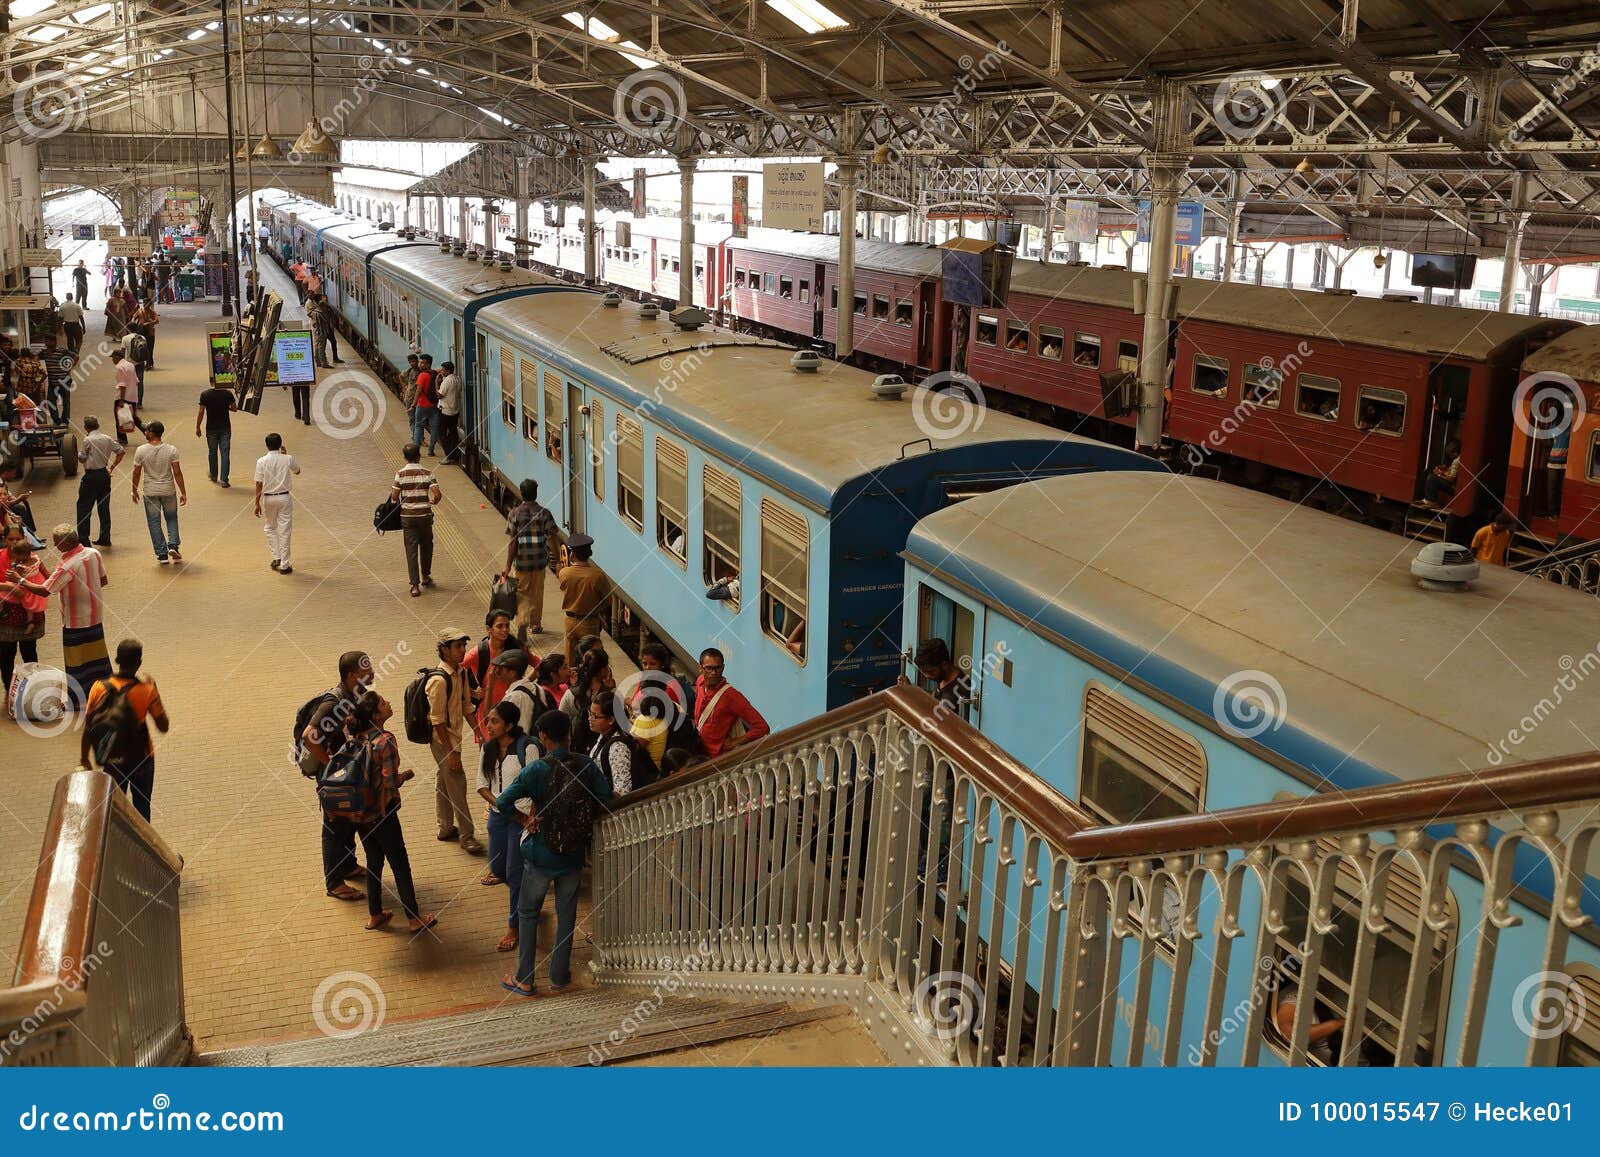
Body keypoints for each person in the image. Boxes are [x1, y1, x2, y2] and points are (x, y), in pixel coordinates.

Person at [496, 709, 612, 996]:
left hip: (540, 853)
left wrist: (526, 821)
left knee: (528, 913)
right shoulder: (585, 764)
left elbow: (503, 801)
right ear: (569, 735)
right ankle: (559, 977)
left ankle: (525, 978)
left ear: (544, 737)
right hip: (572, 853)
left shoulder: (537, 769)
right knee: (567, 915)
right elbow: (606, 798)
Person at [346, 690, 437, 933]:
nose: (389, 704)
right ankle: (414, 919)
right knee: (400, 864)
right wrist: (405, 775)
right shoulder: (384, 741)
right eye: (384, 703)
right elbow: (390, 782)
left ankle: (375, 914)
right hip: (383, 813)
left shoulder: (355, 737)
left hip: (360, 814)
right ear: (376, 714)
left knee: (374, 861)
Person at [300, 650, 375, 901]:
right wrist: (330, 765)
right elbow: (308, 736)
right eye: (367, 669)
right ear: (353, 675)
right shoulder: (333, 703)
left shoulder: (355, 695)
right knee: (333, 826)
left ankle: (348, 865)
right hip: (334, 778)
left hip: (347, 773)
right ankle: (334, 882)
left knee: (348, 821)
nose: (372, 672)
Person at [7, 527, 110, 709]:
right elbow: (103, 580)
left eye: (57, 542)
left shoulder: (67, 566)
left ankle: (77, 701)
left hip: (75, 621)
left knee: (76, 663)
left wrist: (20, 580)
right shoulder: (93, 553)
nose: (54, 545)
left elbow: (45, 590)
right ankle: (104, 692)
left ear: (67, 544)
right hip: (95, 616)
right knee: (97, 659)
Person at [79, 638, 169, 821]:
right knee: (142, 808)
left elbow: (89, 726)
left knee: (115, 809)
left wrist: (84, 758)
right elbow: (163, 726)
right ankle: (143, 846)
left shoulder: (98, 688)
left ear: (117, 660)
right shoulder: (146, 690)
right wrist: (155, 691)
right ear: (139, 663)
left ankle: (115, 842)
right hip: (141, 759)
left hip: (112, 758)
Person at [476, 699, 535, 951]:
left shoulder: (527, 748)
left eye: (494, 721)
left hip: (522, 818)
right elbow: (481, 785)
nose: (488, 725)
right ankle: (526, 901)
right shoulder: (488, 748)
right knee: (499, 867)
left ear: (509, 725)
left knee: (513, 871)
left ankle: (515, 924)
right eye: (488, 720)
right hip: (500, 817)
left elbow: (536, 784)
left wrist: (528, 816)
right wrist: (500, 804)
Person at [427, 627, 484, 855]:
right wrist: (451, 753)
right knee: (458, 785)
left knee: (445, 780)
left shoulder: (460, 672)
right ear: (444, 650)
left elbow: (467, 706)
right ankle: (467, 836)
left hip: (452, 739)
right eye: (457, 646)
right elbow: (437, 721)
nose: (463, 650)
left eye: (463, 645)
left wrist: (479, 731)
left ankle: (445, 827)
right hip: (444, 742)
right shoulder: (439, 681)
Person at [503, 479, 563, 645]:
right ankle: (536, 624)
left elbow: (512, 542)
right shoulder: (544, 513)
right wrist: (557, 560)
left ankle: (522, 622)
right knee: (537, 592)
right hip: (539, 561)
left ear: (522, 494)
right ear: (536, 493)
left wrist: (508, 565)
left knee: (522, 593)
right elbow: (552, 538)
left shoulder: (514, 514)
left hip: (521, 562)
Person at [0, 524, 48, 711]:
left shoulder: (31, 558)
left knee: (29, 651)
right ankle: (8, 691)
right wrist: (9, 587)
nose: (13, 543)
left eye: (16, 539)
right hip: (7, 611)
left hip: (29, 608)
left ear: (24, 539)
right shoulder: (1, 558)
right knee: (6, 653)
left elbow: (45, 579)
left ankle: (31, 690)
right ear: (5, 540)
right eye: (10, 539)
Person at [693, 647, 769, 758]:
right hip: (699, 750)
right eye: (709, 668)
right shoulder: (700, 682)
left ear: (723, 668)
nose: (714, 673)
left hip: (716, 758)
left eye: (718, 668)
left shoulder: (732, 696)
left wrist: (736, 742)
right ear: (700, 668)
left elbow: (762, 727)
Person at [130, 422, 186, 564]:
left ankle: (162, 554)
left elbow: (136, 473)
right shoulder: (172, 450)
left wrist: (134, 489)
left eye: (146, 430)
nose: (145, 432)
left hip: (150, 491)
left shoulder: (141, 450)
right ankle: (173, 545)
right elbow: (177, 472)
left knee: (154, 522)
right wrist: (183, 492)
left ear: (151, 432)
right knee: (172, 518)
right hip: (168, 489)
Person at [391, 442, 440, 597]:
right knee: (427, 547)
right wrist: (433, 501)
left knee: (411, 550)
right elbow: (437, 494)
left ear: (405, 457)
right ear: (419, 456)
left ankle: (414, 585)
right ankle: (425, 576)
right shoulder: (427, 472)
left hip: (408, 518)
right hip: (425, 516)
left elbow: (394, 496)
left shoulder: (400, 474)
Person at [558, 532, 611, 665]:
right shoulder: (598, 576)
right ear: (590, 554)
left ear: (572, 555)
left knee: (569, 659)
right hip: (590, 622)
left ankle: (571, 681)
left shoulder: (564, 573)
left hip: (569, 621)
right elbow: (607, 601)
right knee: (592, 659)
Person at [253, 432, 300, 574]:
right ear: (280, 444)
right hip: (284, 497)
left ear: (267, 446)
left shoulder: (261, 461)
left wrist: (256, 503)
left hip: (268, 498)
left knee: (269, 528)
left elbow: (258, 483)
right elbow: (297, 471)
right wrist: (286, 454)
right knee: (285, 531)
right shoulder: (288, 458)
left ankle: (276, 557)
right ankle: (285, 565)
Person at [463, 609, 515, 732]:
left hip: (512, 707)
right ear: (488, 629)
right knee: (488, 749)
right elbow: (452, 671)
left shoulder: (515, 647)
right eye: (499, 626)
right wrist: (472, 692)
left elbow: (539, 663)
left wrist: (526, 684)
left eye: (507, 625)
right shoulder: (479, 652)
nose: (505, 629)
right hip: (488, 710)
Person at [75, 416, 123, 547]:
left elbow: (83, 459)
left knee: (84, 507)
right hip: (104, 474)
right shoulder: (107, 438)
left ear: (86, 428)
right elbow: (121, 451)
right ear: (98, 425)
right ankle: (105, 537)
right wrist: (112, 467)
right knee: (104, 508)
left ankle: (84, 539)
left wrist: (79, 455)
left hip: (91, 476)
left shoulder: (87, 440)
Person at [559, 646, 613, 755]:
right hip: (603, 750)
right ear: (603, 670)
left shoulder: (571, 694)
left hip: (576, 751)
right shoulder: (611, 695)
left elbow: (560, 723)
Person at [589, 688, 643, 793]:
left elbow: (623, 791)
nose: (590, 719)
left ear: (611, 720)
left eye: (595, 716)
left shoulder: (618, 747)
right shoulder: (604, 736)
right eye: (590, 713)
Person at [903, 637, 971, 718]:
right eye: (924, 672)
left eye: (930, 671)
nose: (926, 676)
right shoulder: (944, 678)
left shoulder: (961, 689)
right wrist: (910, 689)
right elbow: (935, 697)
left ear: (944, 665)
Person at [196, 380, 238, 487]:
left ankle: (214, 475)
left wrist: (198, 426)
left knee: (212, 452)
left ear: (211, 382)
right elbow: (234, 408)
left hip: (211, 428)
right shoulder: (228, 394)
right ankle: (224, 480)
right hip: (225, 428)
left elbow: (201, 411)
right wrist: (226, 407)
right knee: (225, 453)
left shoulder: (205, 394)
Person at [490, 649, 542, 733]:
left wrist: (490, 685)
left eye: (501, 669)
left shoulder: (514, 697)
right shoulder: (536, 688)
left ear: (512, 673)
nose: (497, 672)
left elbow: (490, 722)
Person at [39, 333, 72, 423]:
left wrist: (69, 369)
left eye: (47, 340)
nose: (45, 342)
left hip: (64, 381)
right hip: (52, 382)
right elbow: (37, 360)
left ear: (53, 342)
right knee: (51, 402)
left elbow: (76, 357)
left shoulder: (62, 351)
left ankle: (65, 420)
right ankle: (57, 421)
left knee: (66, 403)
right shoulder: (44, 353)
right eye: (45, 340)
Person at [111, 349, 142, 445]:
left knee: (119, 418)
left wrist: (121, 399)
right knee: (133, 417)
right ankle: (146, 431)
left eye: (113, 358)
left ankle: (122, 439)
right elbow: (136, 381)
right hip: (132, 396)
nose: (112, 360)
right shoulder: (131, 365)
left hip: (123, 397)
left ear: (117, 357)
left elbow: (122, 384)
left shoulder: (119, 367)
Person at [411, 354, 439, 454]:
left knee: (418, 426)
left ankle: (416, 451)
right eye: (420, 362)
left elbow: (418, 391)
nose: (420, 364)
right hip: (433, 406)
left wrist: (413, 405)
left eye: (422, 362)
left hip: (422, 405)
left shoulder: (422, 375)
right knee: (434, 428)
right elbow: (439, 370)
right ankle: (431, 450)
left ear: (428, 364)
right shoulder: (435, 374)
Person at [1422, 440, 1461, 508]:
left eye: (1449, 454)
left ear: (1454, 453)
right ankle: (1427, 500)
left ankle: (1431, 501)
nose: (1449, 456)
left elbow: (1451, 479)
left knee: (1431, 478)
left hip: (1453, 487)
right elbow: (1451, 473)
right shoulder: (1458, 459)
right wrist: (1443, 471)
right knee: (1432, 477)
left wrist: (1439, 475)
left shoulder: (1456, 461)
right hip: (1453, 485)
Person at [435, 360, 462, 461]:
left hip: (445, 411)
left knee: (441, 434)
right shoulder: (457, 379)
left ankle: (448, 456)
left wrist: (436, 384)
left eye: (443, 370)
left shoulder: (447, 381)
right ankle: (454, 454)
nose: (442, 372)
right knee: (452, 434)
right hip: (455, 411)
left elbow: (440, 395)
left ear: (448, 370)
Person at [130, 298, 158, 370]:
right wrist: (133, 323)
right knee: (141, 348)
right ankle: (142, 363)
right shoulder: (140, 311)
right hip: (141, 332)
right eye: (144, 303)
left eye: (147, 304)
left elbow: (157, 320)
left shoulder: (152, 312)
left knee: (150, 348)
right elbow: (134, 317)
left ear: (150, 304)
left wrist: (149, 323)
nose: (145, 305)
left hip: (150, 332)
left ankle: (149, 363)